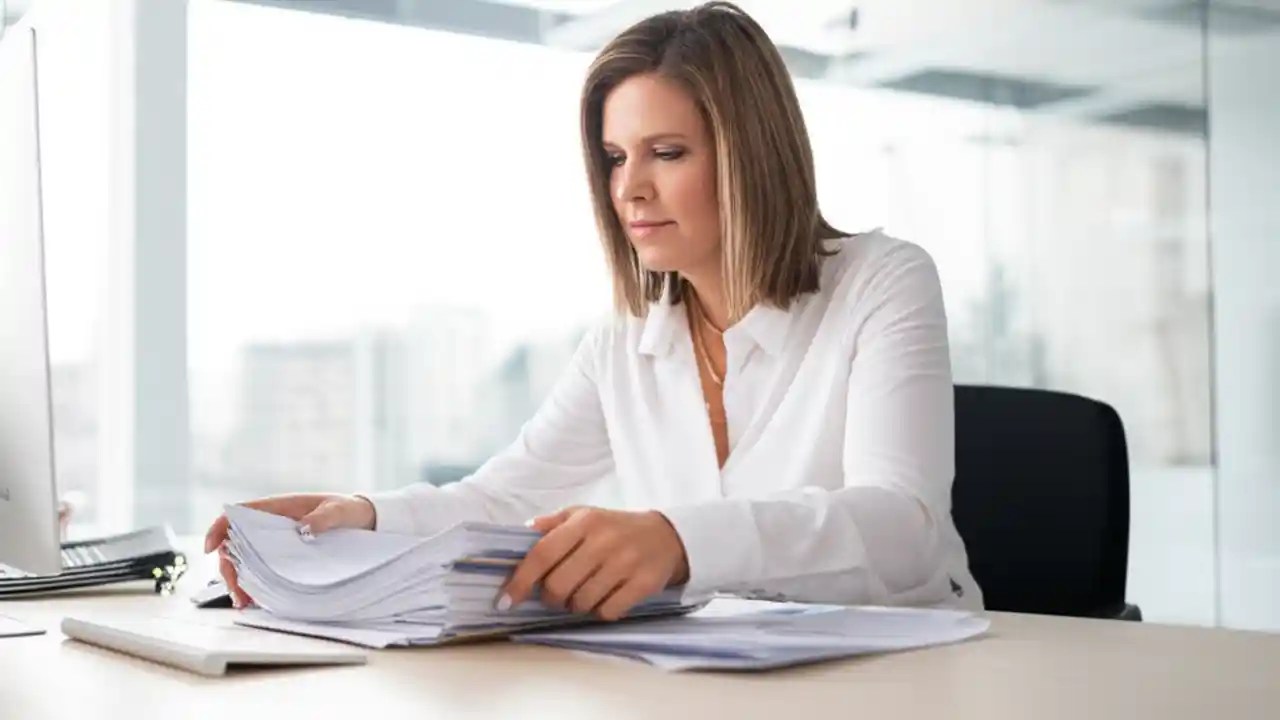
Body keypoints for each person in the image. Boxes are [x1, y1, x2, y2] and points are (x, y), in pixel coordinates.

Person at [203, 1, 983, 619]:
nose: (629, 190)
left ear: (750, 156)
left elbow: (900, 525)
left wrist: (677, 540)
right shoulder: (625, 341)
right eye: (615, 158)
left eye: (667, 153)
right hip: (725, 678)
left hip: (908, 671)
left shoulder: (883, 282)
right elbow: (503, 496)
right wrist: (362, 515)